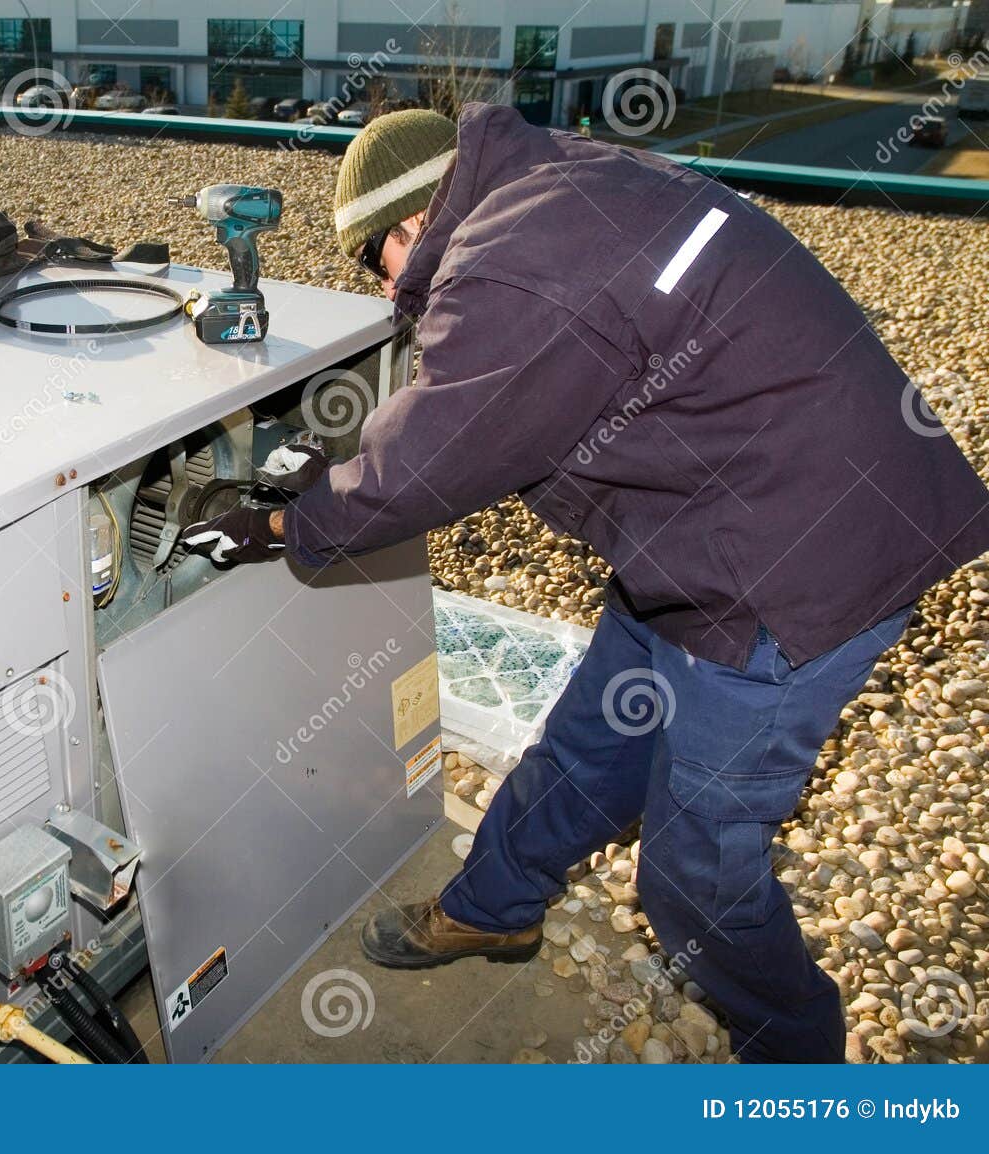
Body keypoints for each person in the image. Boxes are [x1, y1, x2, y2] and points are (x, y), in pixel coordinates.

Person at [182, 105, 989, 1063]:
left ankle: (802, 1062)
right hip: (714, 524)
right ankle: (494, 910)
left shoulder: (510, 261)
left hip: (792, 571)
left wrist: (285, 520)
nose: (387, 286)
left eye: (374, 262)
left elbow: (436, 457)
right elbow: (506, 384)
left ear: (408, 224)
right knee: (593, 739)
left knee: (694, 877)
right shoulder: (561, 180)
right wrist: (357, 452)